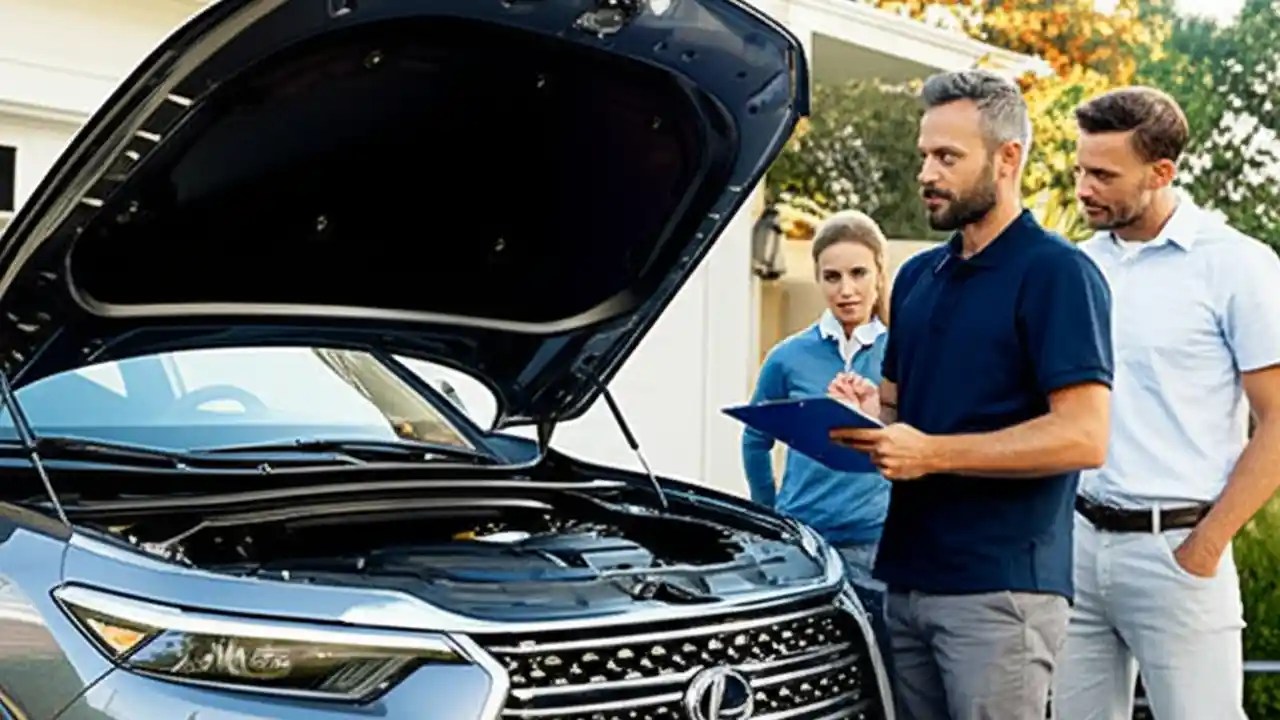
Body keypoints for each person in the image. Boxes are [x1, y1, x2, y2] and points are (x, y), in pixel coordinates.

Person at [826, 68, 1114, 720]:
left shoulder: (1058, 274)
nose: (927, 173)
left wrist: (932, 454)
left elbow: (1084, 434)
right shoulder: (916, 279)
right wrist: (863, 416)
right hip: (902, 578)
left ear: (1007, 158)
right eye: (924, 155)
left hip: (1001, 593)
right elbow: (899, 410)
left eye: (948, 157)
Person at [1051, 86, 1280, 720]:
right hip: (1076, 543)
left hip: (1178, 552)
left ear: (1161, 173)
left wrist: (1206, 545)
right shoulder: (1078, 266)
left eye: (1103, 174)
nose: (1084, 188)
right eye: (1079, 169)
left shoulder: (1237, 266)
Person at [741, 209, 894, 662]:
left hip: (877, 543)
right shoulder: (788, 358)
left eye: (858, 273)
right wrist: (769, 510)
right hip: (804, 541)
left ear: (879, 275)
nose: (845, 289)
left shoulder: (903, 352)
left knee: (877, 668)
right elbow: (755, 439)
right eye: (832, 276)